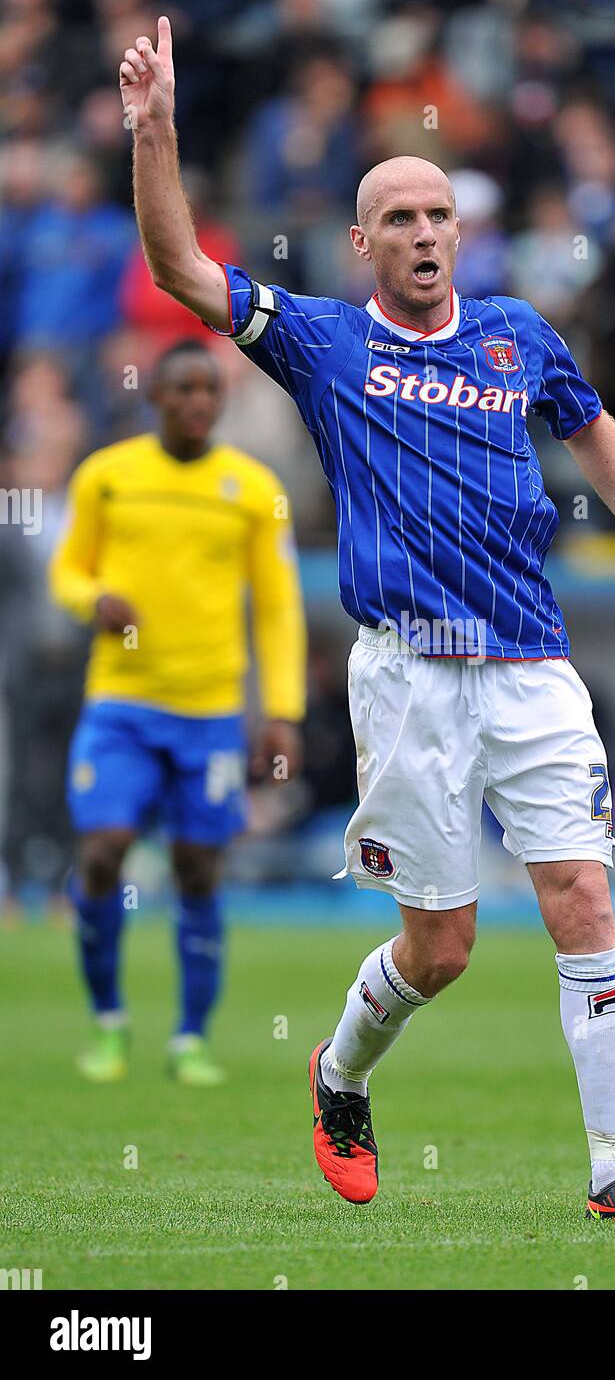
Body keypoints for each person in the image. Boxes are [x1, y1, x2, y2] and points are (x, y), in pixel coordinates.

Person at [120, 17, 615, 1222]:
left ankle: (613, 1168)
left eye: (440, 215)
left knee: (582, 898)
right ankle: (338, 1072)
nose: (425, 233)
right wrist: (155, 126)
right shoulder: (323, 343)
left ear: (458, 232)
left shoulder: (514, 333)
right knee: (441, 951)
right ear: (362, 240)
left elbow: (587, 418)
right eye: (402, 218)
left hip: (534, 665)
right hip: (407, 679)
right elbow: (179, 269)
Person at [49, 339, 307, 1085]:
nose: (198, 401)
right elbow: (69, 568)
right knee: (102, 853)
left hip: (209, 712)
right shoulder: (108, 476)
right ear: (153, 396)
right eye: (183, 389)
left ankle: (190, 1036)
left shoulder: (252, 488)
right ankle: (108, 1022)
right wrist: (89, 600)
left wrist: (282, 709)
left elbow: (279, 605)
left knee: (198, 868)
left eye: (208, 390)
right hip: (122, 703)